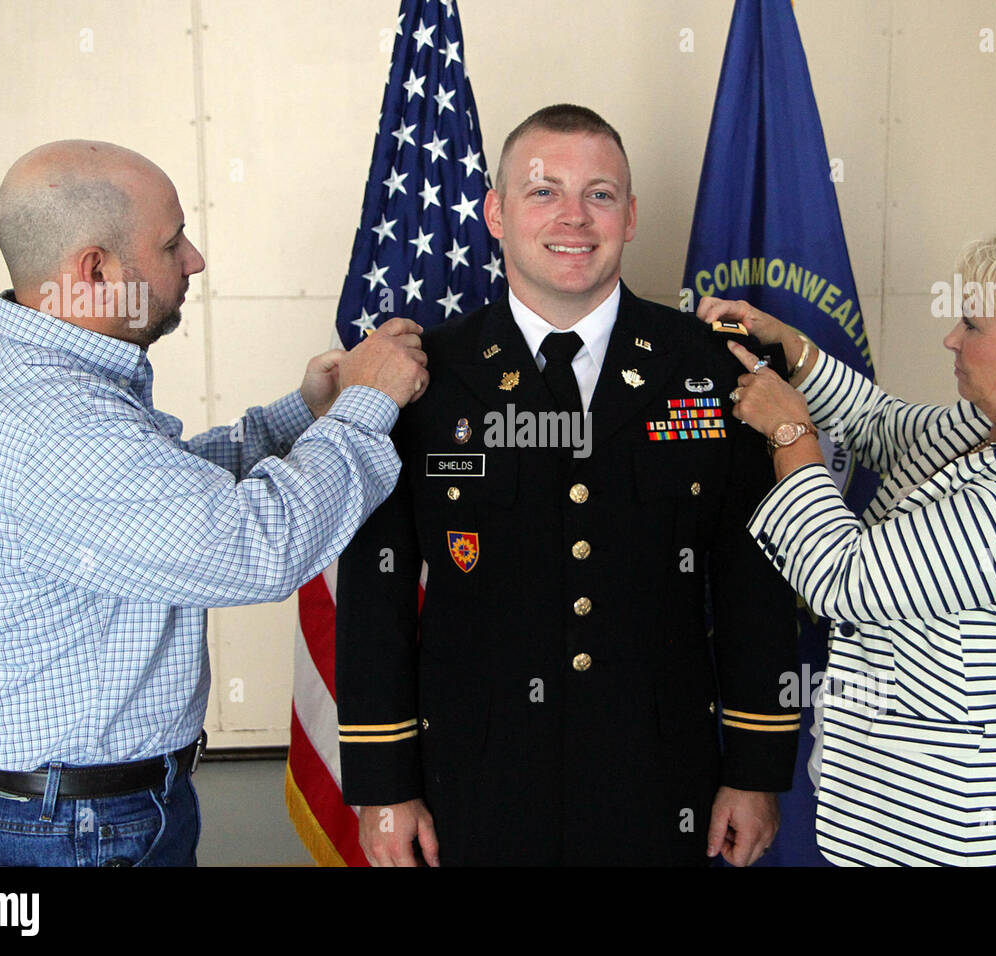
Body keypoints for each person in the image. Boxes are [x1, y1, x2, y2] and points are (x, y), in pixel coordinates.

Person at [0, 140, 428, 867]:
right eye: (170, 242)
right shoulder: (58, 424)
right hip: (81, 836)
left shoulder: (43, 382)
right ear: (95, 271)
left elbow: (165, 493)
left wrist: (304, 415)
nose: (193, 259)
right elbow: (254, 546)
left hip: (81, 818)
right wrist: (368, 405)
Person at [334, 105, 799, 866]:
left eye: (601, 195)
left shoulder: (712, 369)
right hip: (473, 779)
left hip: (659, 778)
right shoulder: (419, 376)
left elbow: (754, 582)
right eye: (544, 192)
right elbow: (375, 597)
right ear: (496, 211)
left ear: (632, 214)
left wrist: (754, 770)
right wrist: (384, 784)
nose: (574, 218)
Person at [703, 209, 996, 866]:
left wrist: (790, 437)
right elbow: (883, 425)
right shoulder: (992, 425)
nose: (951, 338)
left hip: (975, 830)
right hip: (911, 812)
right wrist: (791, 348)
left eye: (973, 324)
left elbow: (845, 579)